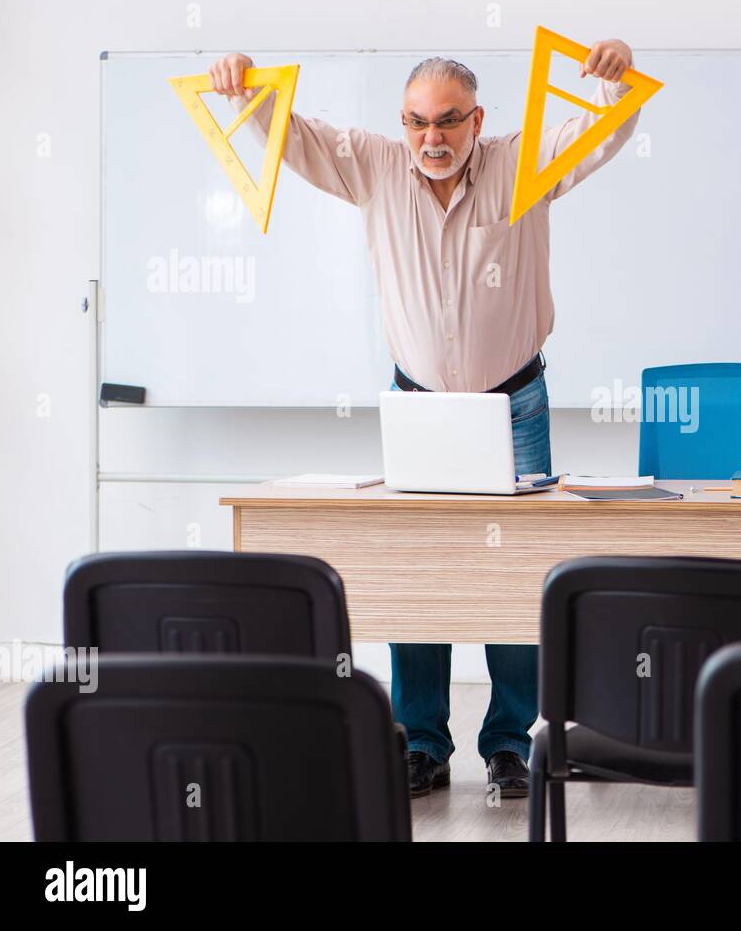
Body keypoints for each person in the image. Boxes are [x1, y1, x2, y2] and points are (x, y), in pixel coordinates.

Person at [208, 39, 641, 799]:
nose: (430, 139)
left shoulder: (522, 162)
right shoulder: (375, 166)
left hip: (515, 401)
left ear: (477, 121)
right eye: (416, 122)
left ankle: (509, 743)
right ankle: (422, 744)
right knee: (422, 568)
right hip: (419, 405)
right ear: (400, 122)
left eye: (446, 122)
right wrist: (241, 88)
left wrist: (616, 76)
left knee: (514, 576)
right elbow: (295, 137)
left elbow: (605, 131)